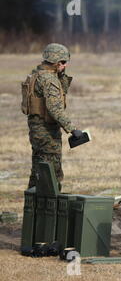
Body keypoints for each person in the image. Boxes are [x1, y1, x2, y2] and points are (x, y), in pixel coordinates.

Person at [24, 43, 82, 190]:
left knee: (38, 171)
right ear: (55, 62)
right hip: (47, 133)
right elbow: (55, 109)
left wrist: (61, 74)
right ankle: (49, 209)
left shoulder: (37, 74)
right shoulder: (50, 80)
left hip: (37, 131)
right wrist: (72, 129)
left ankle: (32, 207)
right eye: (62, 62)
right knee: (52, 174)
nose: (65, 65)